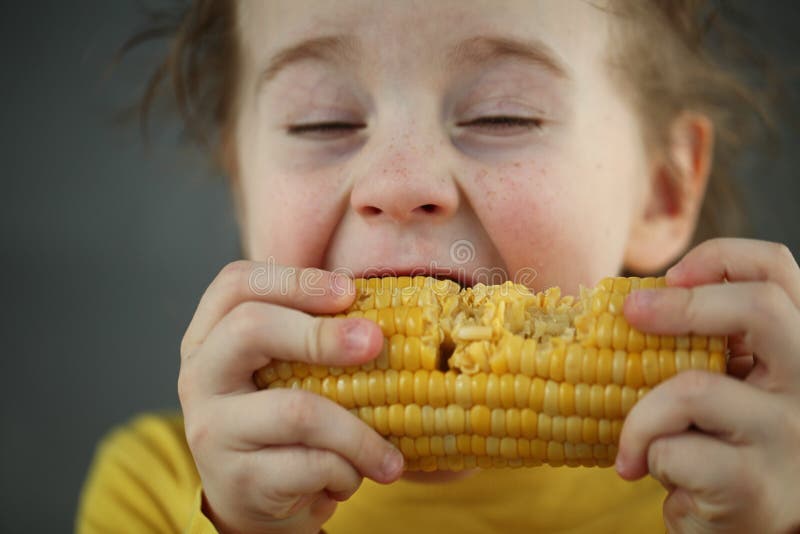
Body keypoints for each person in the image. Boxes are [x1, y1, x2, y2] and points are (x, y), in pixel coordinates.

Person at [77, 1, 800, 532]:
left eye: (502, 115)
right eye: (321, 121)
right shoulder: (156, 490)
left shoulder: (755, 485)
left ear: (663, 189)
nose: (401, 182)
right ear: (243, 188)